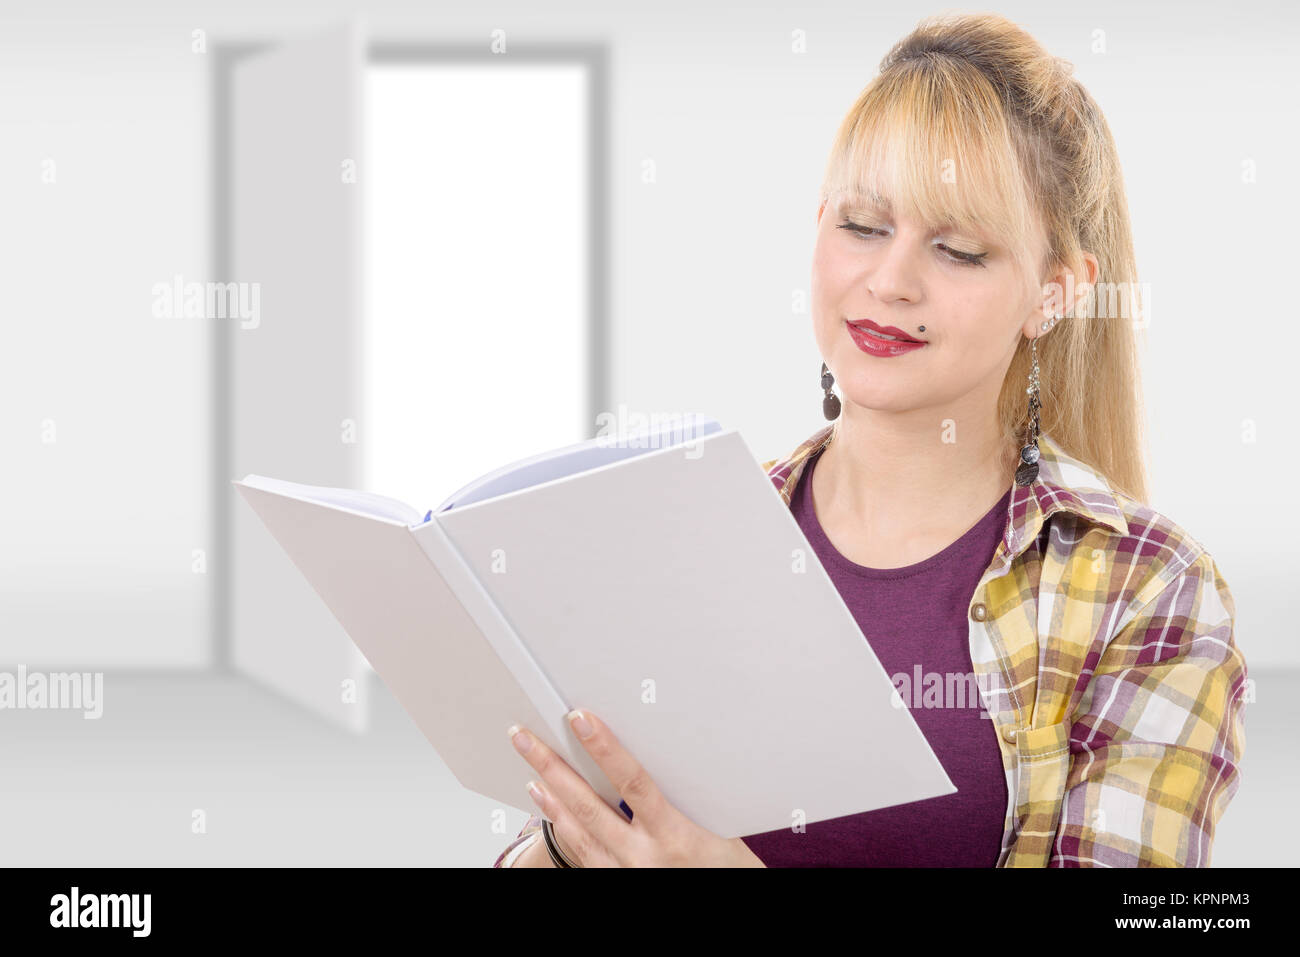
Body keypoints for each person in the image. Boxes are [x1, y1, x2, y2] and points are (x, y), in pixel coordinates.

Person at [494, 11, 1248, 868]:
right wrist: (563, 837)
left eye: (958, 249)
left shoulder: (1149, 590)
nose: (890, 282)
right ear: (818, 225)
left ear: (1054, 292)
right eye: (861, 226)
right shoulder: (695, 527)